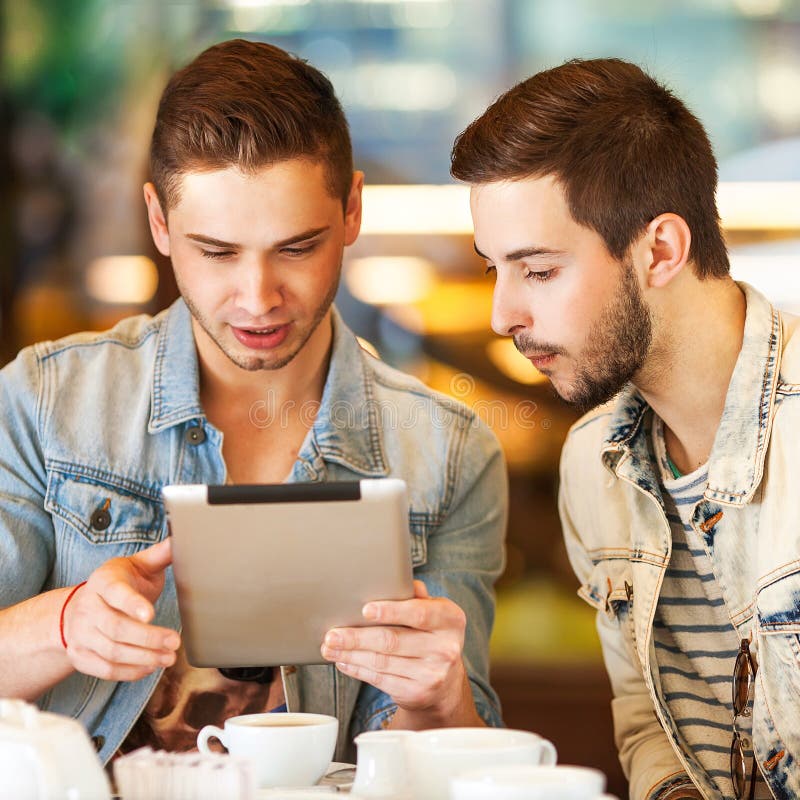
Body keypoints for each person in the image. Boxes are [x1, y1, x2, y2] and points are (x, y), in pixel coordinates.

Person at [0, 38, 506, 763]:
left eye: (297, 248)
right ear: (158, 223)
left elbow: (454, 767)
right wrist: (66, 624)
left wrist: (441, 698)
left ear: (353, 209)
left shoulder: (451, 456)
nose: (259, 299)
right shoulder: (42, 404)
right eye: (217, 252)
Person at [451, 57, 797, 800]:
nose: (501, 316)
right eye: (494, 271)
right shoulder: (592, 465)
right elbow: (647, 721)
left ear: (661, 251)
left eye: (538, 271)